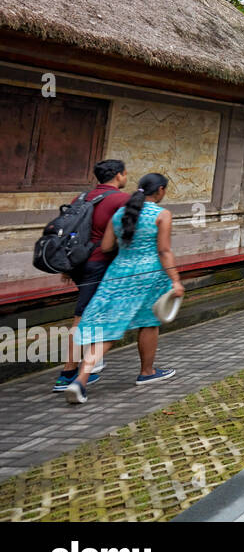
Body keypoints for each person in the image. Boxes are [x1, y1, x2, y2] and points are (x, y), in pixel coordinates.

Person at [65, 173, 183, 405]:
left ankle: (80, 379)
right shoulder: (162, 214)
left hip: (118, 272)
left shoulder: (120, 214)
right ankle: (147, 372)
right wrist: (176, 280)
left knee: (108, 328)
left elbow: (107, 246)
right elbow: (164, 251)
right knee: (149, 322)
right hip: (149, 274)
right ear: (160, 190)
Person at [52, 160, 131, 392]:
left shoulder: (82, 197)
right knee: (82, 315)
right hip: (99, 262)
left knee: (93, 311)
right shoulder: (120, 200)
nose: (126, 176)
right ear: (118, 175)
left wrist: (67, 266)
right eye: (125, 173)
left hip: (78, 262)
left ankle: (90, 364)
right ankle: (68, 373)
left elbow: (68, 230)